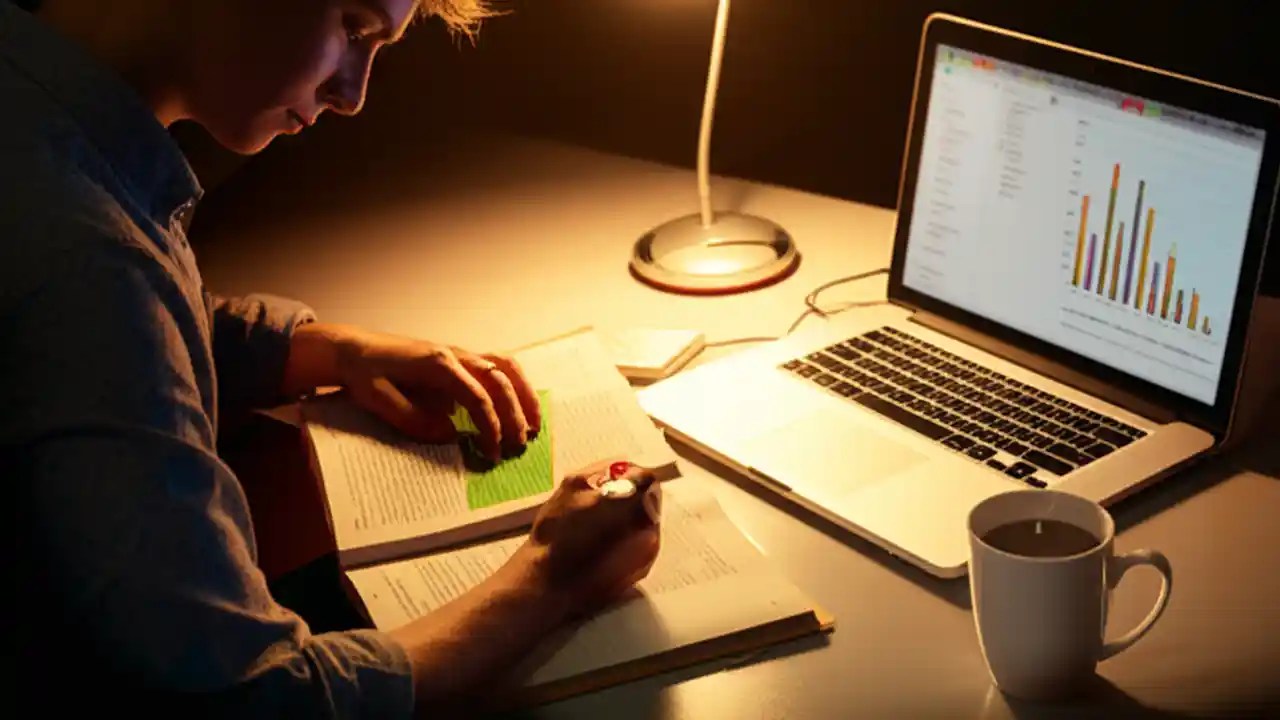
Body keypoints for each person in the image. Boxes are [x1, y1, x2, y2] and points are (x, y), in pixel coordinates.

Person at [1, 0, 662, 716]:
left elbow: (87, 351)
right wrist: (552, 575)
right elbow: (252, 696)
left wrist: (319, 350)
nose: (353, 95)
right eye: (352, 26)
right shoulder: (83, 260)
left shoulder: (38, 118)